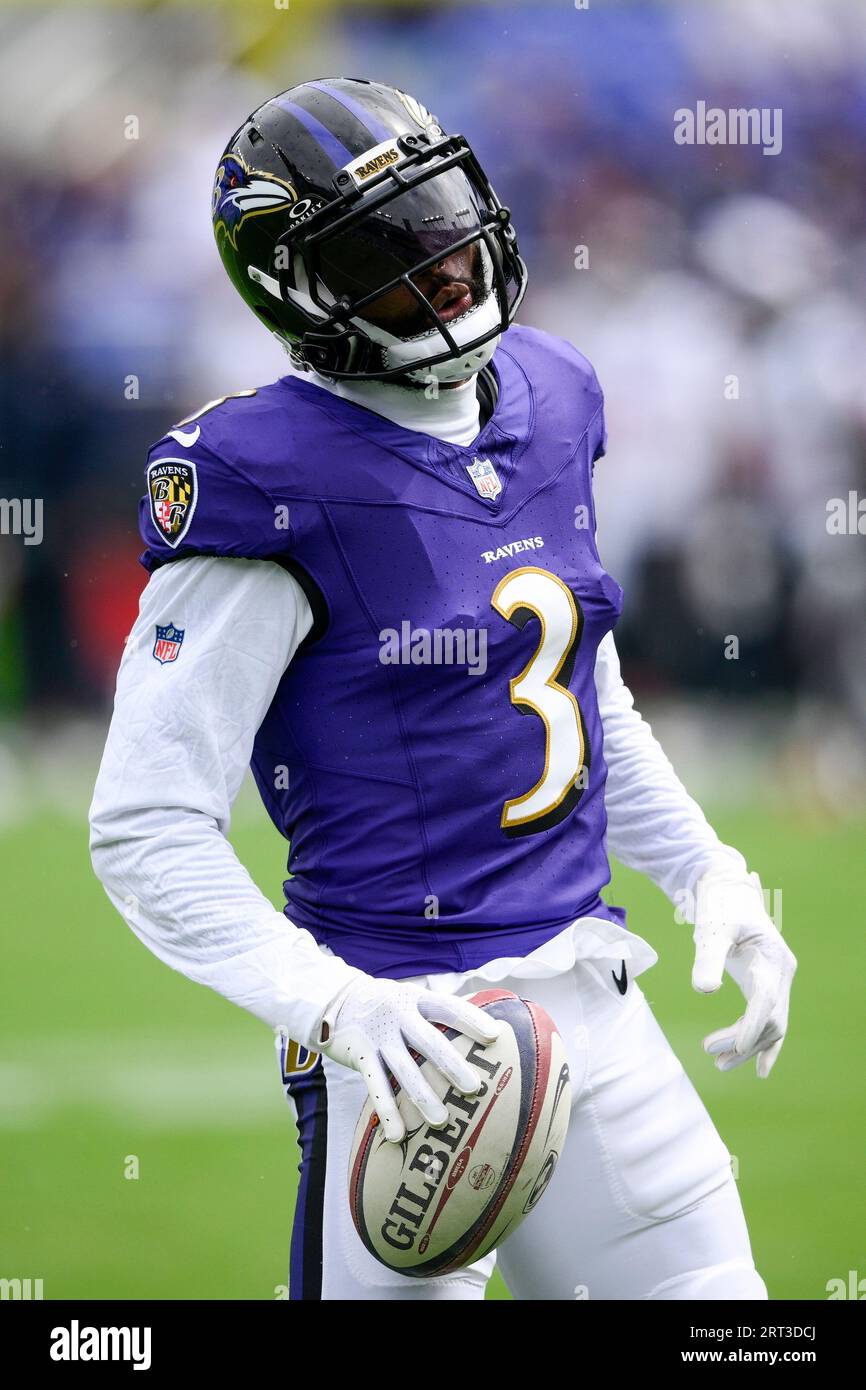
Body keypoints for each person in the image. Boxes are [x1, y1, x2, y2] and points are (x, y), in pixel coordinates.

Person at [89, 78, 796, 1301]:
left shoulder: (554, 391)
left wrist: (703, 873)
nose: (446, 262)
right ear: (293, 291)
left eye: (444, 213)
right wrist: (337, 1008)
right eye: (384, 247)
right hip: (405, 1037)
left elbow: (586, 699)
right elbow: (144, 824)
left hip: (596, 996)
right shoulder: (266, 477)